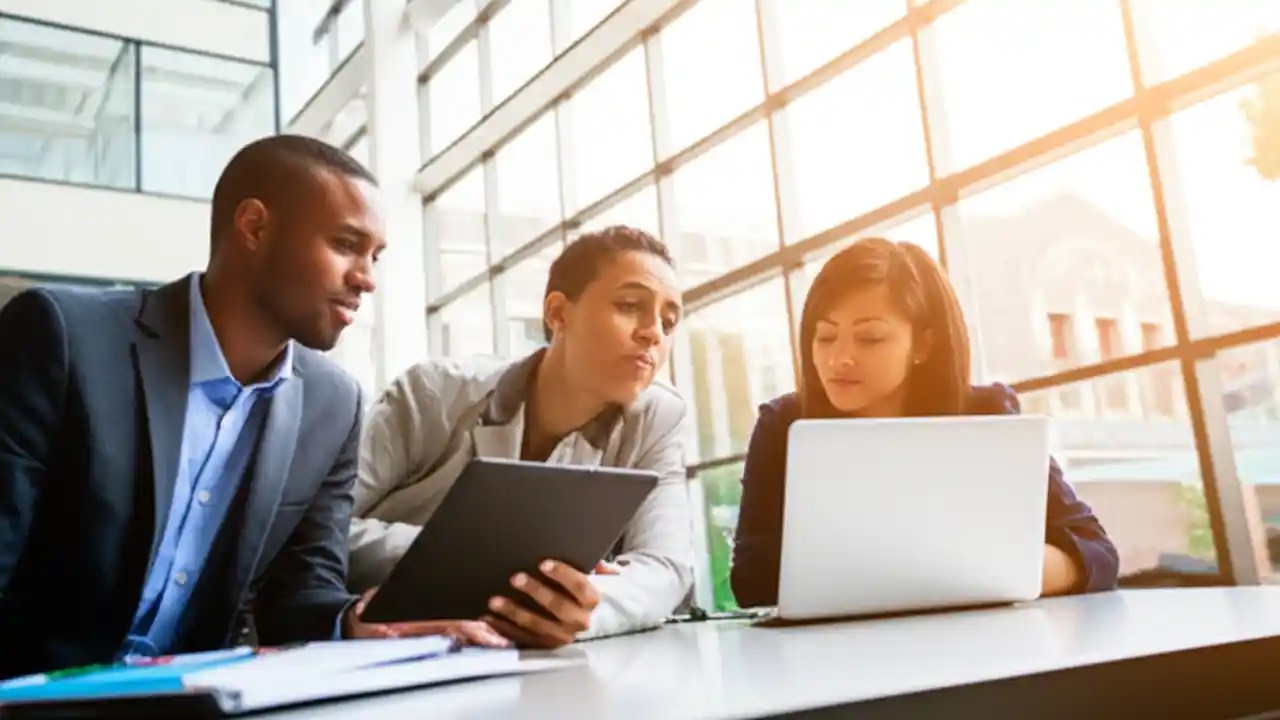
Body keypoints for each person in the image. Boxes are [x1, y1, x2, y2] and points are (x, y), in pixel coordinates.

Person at [0, 135, 502, 681]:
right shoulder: (62, 336)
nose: (367, 278)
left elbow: (300, 599)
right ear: (255, 228)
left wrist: (361, 622)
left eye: (374, 256)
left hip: (194, 702)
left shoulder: (333, 405)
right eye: (345, 245)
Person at [350, 225, 693, 648]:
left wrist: (577, 609)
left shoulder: (658, 416)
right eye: (629, 305)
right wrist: (467, 559)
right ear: (557, 314)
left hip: (525, 664)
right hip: (381, 648)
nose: (654, 332)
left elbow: (666, 566)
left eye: (669, 320)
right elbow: (319, 533)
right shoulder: (432, 394)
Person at [730, 238, 1119, 608]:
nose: (839, 359)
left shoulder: (985, 416)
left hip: (976, 644)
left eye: (869, 338)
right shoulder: (784, 426)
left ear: (923, 345)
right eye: (826, 337)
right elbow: (752, 582)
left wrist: (987, 571)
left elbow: (1097, 553)